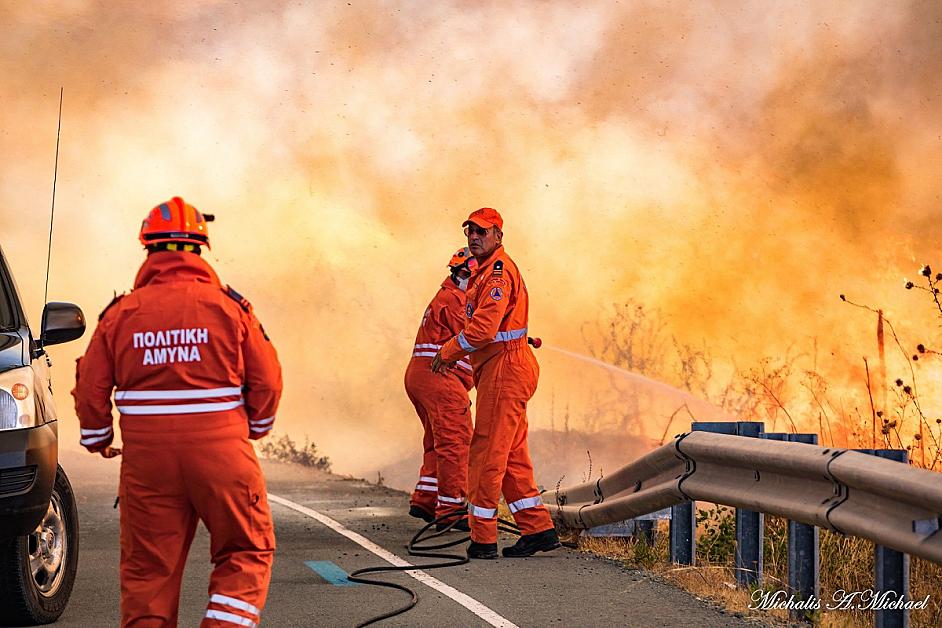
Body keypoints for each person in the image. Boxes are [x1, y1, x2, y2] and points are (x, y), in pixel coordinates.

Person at [72, 196, 282, 627]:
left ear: (148, 249)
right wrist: (256, 427)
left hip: (147, 460)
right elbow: (267, 380)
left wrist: (98, 439)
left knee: (149, 572)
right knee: (245, 551)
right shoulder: (230, 307)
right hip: (222, 452)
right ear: (200, 249)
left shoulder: (120, 313)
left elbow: (91, 387)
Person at [432, 207, 560, 559]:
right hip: (502, 368)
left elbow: (484, 329)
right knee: (512, 454)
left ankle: (483, 537)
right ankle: (537, 530)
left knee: (486, 452)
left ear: (498, 236)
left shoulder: (498, 275)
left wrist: (449, 350)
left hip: (506, 370)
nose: (474, 237)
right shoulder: (484, 273)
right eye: (470, 231)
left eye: (482, 232)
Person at [406, 247, 476, 530]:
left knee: (437, 440)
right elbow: (476, 335)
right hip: (440, 378)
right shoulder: (457, 301)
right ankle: (450, 508)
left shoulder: (445, 297)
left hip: (421, 377)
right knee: (456, 441)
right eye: (467, 275)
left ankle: (426, 498)